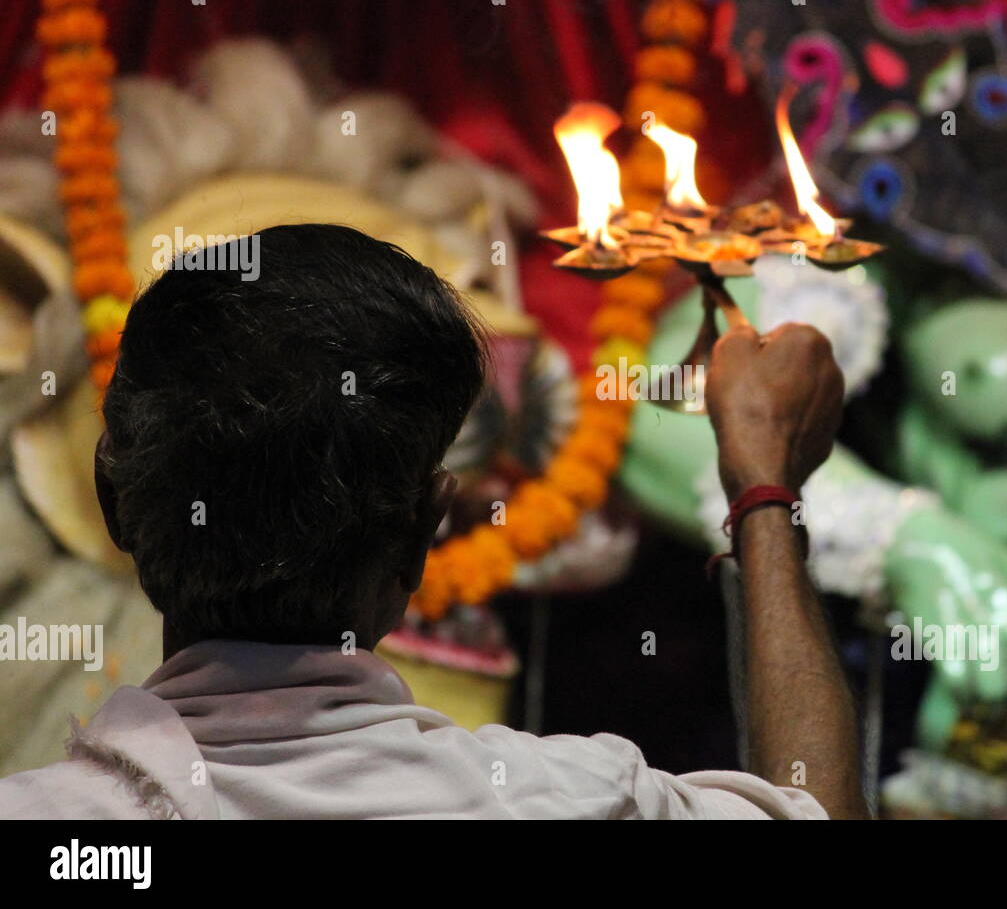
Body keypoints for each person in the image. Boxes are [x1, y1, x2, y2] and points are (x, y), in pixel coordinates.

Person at [0, 224, 865, 819]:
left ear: (113, 503)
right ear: (424, 535)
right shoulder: (570, 800)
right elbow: (814, 810)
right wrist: (763, 484)